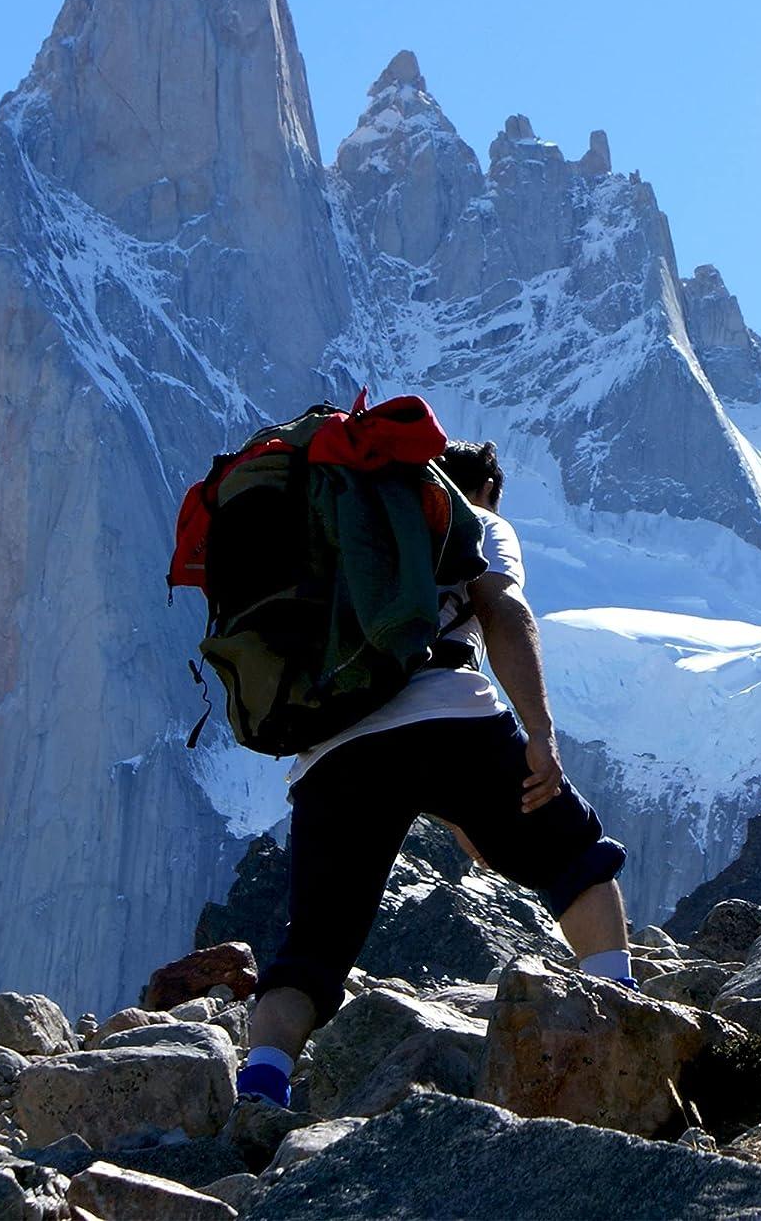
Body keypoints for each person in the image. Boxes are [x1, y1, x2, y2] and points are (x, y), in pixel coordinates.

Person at [235, 438, 633, 1109]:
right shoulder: (476, 521)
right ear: (481, 494)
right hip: (450, 716)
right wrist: (538, 731)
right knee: (574, 855)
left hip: (332, 752)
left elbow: (389, 743)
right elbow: (502, 610)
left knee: (312, 950)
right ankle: (624, 1019)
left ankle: (263, 1087)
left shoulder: (344, 535)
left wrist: (453, 811)